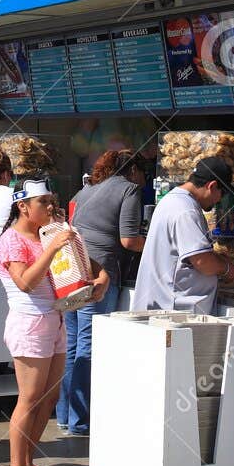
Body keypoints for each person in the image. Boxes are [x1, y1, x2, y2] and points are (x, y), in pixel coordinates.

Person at [0, 179, 107, 466]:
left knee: (49, 398)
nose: (50, 207)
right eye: (43, 202)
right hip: (29, 322)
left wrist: (101, 276)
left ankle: (27, 462)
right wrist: (52, 248)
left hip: (55, 318)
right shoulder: (12, 240)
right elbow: (26, 282)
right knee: (29, 399)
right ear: (23, 207)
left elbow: (89, 263)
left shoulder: (50, 233)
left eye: (51, 201)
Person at [55, 148, 146, 433]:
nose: (144, 179)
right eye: (143, 173)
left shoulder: (85, 191)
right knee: (88, 346)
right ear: (133, 171)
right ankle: (82, 422)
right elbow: (129, 240)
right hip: (100, 276)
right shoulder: (129, 189)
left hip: (71, 273)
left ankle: (65, 415)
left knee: (71, 347)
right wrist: (157, 242)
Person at [129, 156, 234, 315]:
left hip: (165, 306)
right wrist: (227, 269)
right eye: (223, 193)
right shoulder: (186, 210)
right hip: (175, 312)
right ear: (212, 186)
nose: (220, 200)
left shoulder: (172, 200)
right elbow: (201, 261)